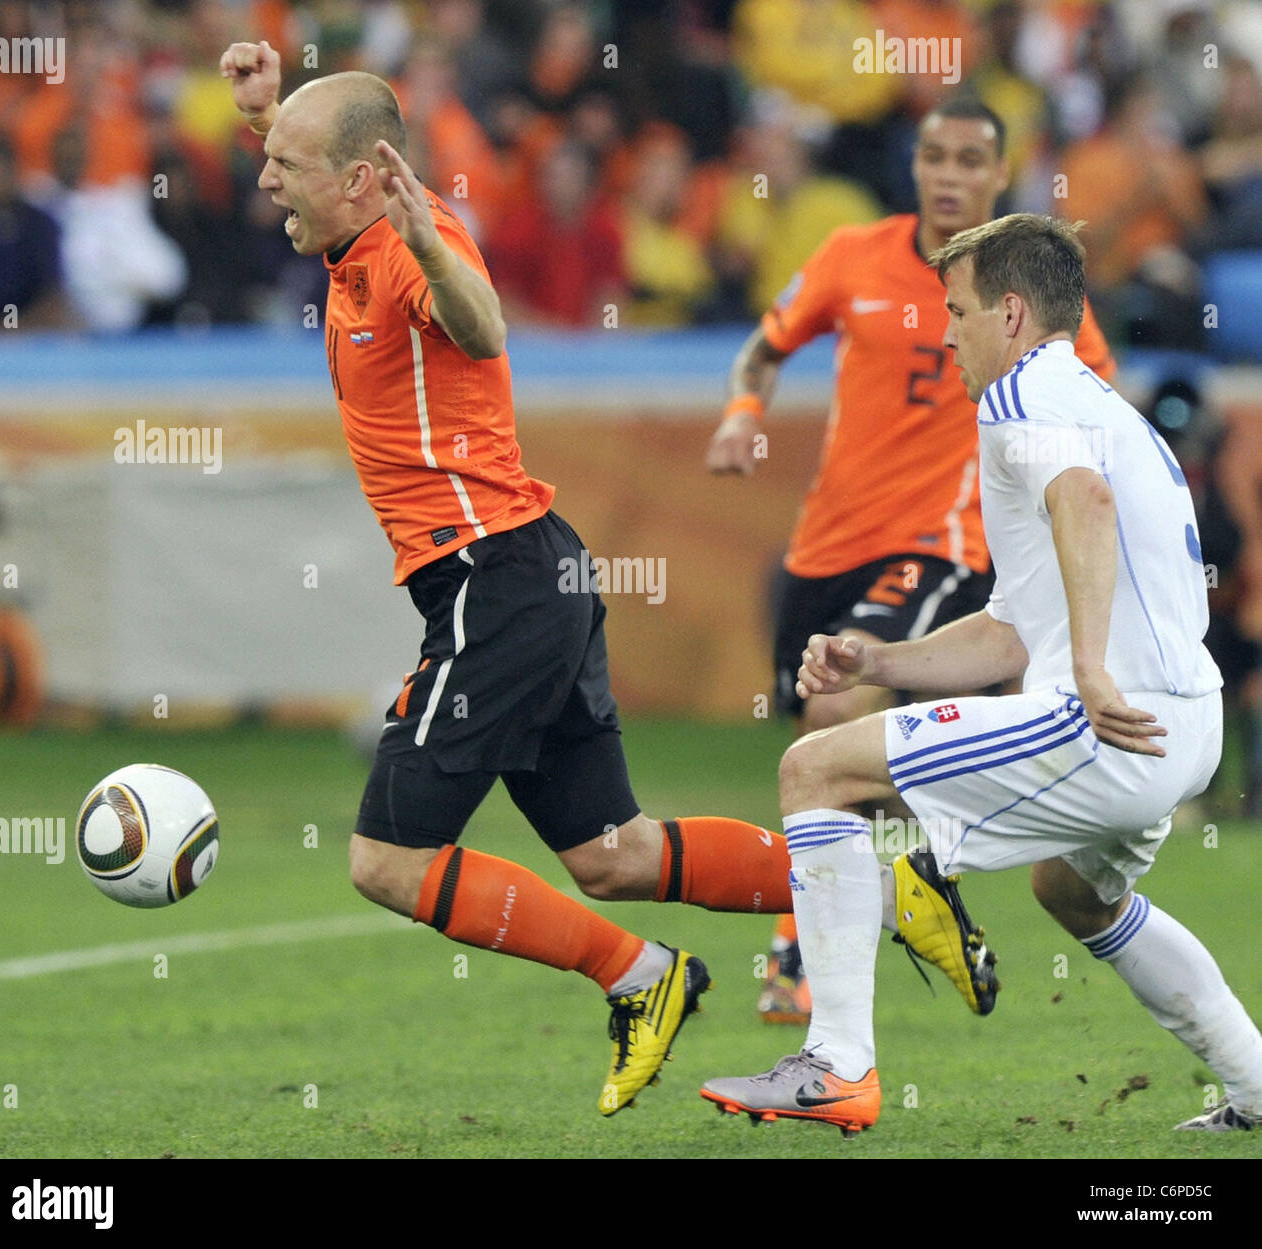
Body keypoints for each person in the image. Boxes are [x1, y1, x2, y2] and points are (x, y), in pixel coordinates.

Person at [218, 38, 828, 1118]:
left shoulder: (414, 242)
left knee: (387, 861)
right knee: (613, 853)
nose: (265, 179)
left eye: (283, 165)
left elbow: (483, 325)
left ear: (365, 183)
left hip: (491, 581)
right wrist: (269, 116)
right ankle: (861, 877)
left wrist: (428, 244)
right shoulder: (354, 222)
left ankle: (642, 979)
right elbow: (322, 159)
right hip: (531, 567)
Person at [700, 213, 1262, 1135]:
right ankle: (1253, 1081)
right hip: (1183, 724)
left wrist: (1084, 670)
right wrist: (879, 658)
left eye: (954, 310)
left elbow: (1082, 501)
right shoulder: (1105, 409)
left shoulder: (1019, 397)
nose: (943, 331)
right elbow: (1011, 630)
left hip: (1111, 721)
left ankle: (837, 1062)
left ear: (1010, 313)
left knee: (815, 769)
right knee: (1073, 891)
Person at [707, 98, 1115, 1025]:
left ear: (997, 175)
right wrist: (742, 414)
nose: (948, 174)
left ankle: (809, 958)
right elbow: (763, 350)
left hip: (943, 547)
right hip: (825, 548)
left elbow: (1093, 417)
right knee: (820, 753)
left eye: (970, 158)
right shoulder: (853, 255)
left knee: (839, 704)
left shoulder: (1029, 297)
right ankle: (922, 877)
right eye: (933, 155)